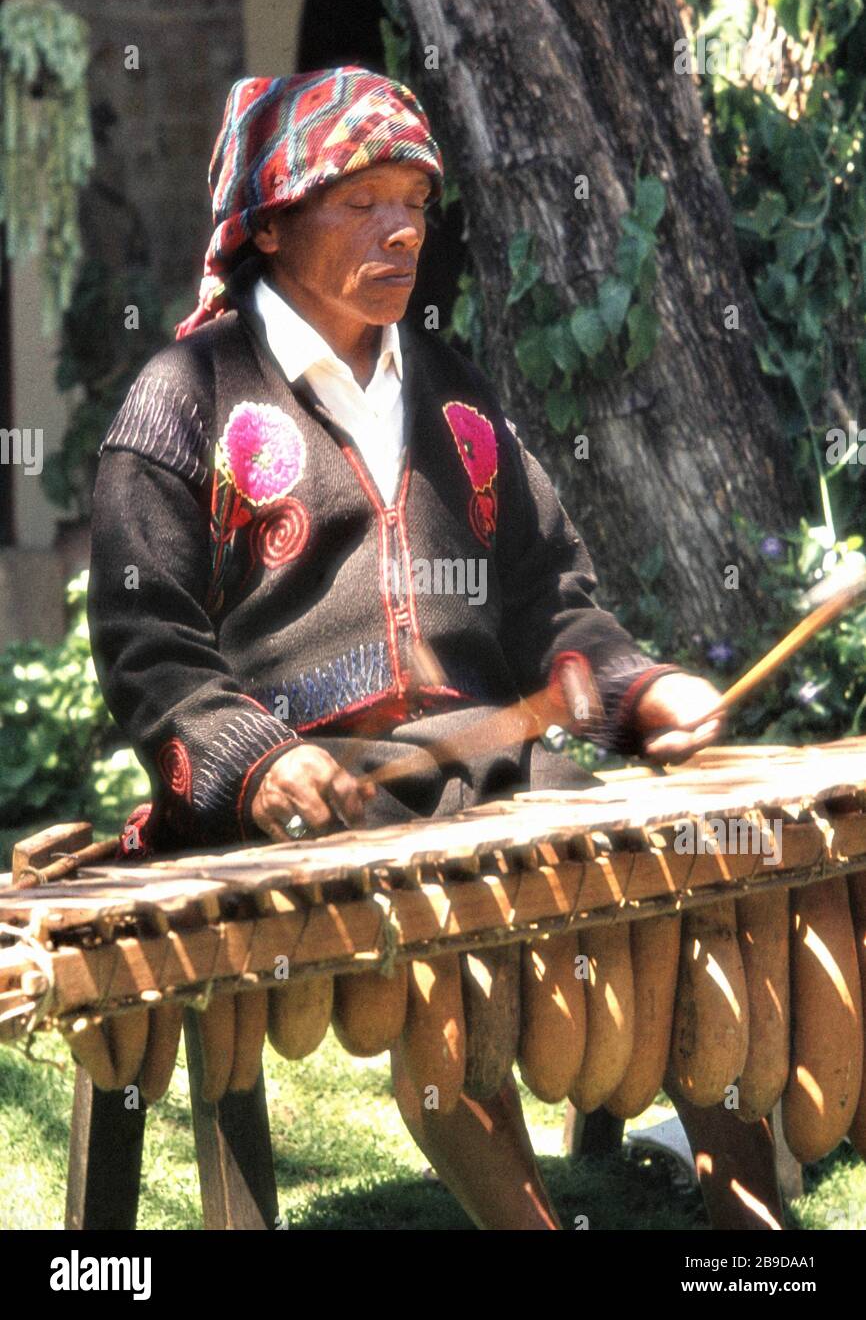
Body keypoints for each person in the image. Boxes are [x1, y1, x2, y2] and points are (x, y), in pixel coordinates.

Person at [87, 66, 783, 1230]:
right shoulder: (182, 399)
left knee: (680, 878)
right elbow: (146, 645)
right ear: (266, 220)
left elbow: (549, 596)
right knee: (436, 946)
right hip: (319, 793)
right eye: (363, 198)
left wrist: (635, 687)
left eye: (414, 197)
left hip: (491, 766)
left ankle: (751, 1239)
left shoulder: (454, 397)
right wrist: (252, 761)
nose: (402, 226)